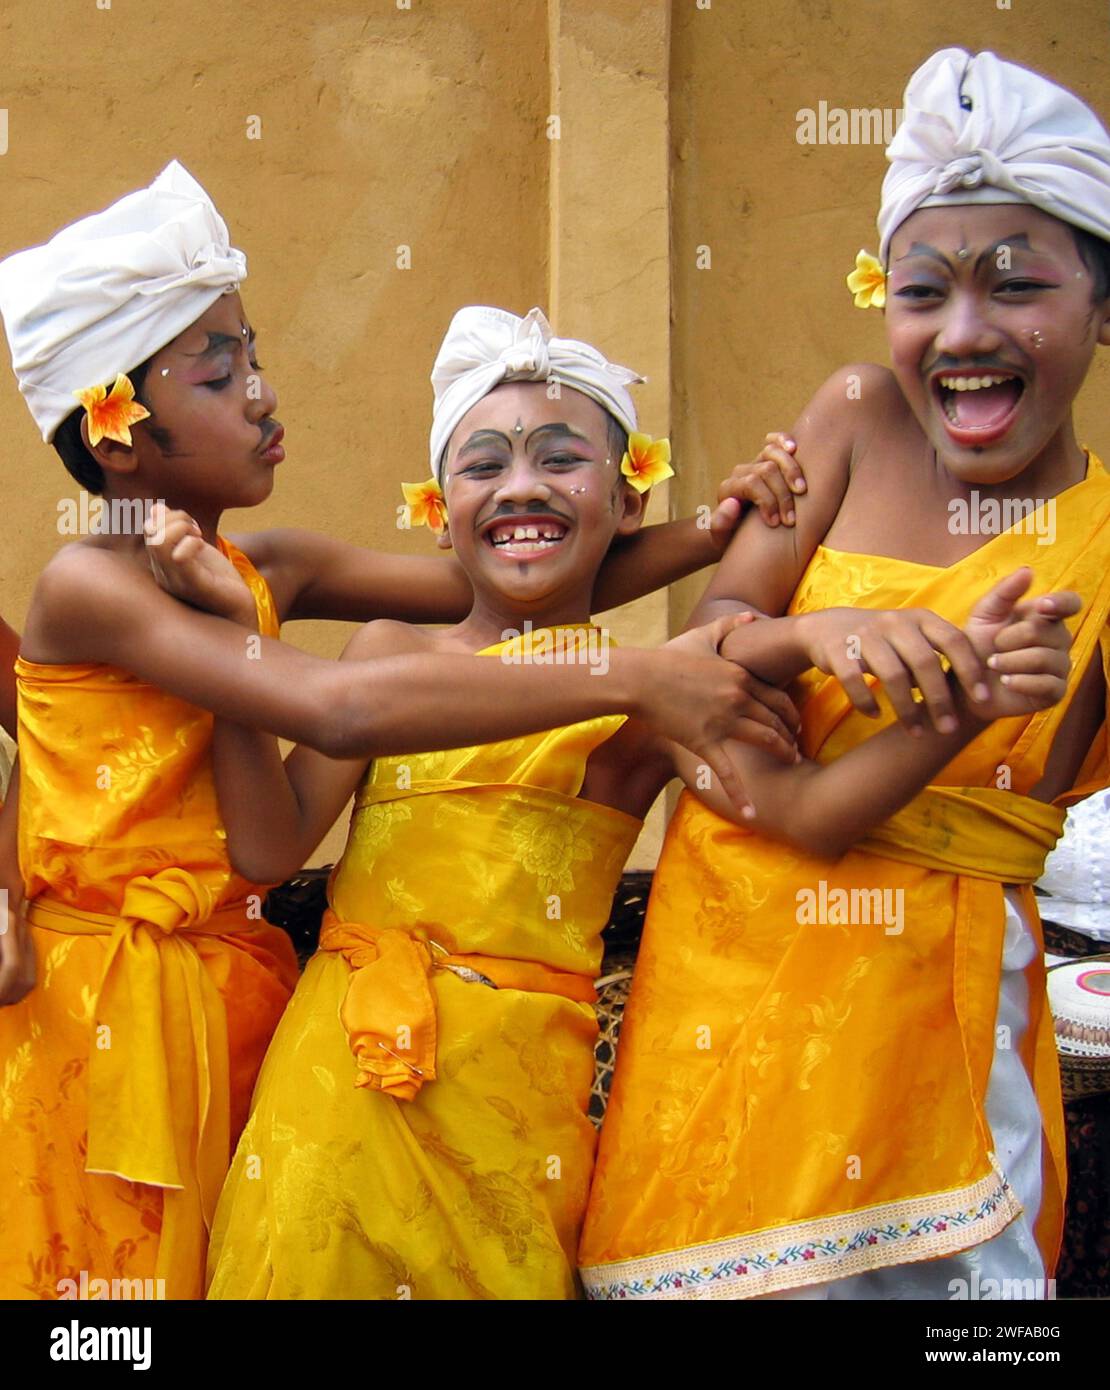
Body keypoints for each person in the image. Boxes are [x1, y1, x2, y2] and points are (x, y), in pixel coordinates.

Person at [147, 302, 1067, 1300]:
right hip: (330, 1110)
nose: (522, 486)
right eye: (483, 463)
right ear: (437, 506)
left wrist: (951, 711)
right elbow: (271, 846)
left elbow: (810, 813)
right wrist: (234, 667)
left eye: (560, 458)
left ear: (627, 502)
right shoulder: (388, 651)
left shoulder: (650, 695)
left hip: (515, 1129)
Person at [0, 169, 802, 1300]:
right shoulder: (93, 587)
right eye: (223, 375)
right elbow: (334, 710)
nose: (267, 396)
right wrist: (640, 671)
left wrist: (716, 531)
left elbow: (499, 560)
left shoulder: (272, 567)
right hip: (106, 1009)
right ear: (118, 438)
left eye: (256, 356)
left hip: (228, 982)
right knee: (99, 1290)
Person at [579, 47, 1110, 1300]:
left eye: (1018, 286)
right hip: (732, 1005)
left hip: (949, 1047)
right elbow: (706, 645)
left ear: (1102, 303)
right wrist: (813, 636)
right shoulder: (856, 416)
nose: (963, 333)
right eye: (921, 289)